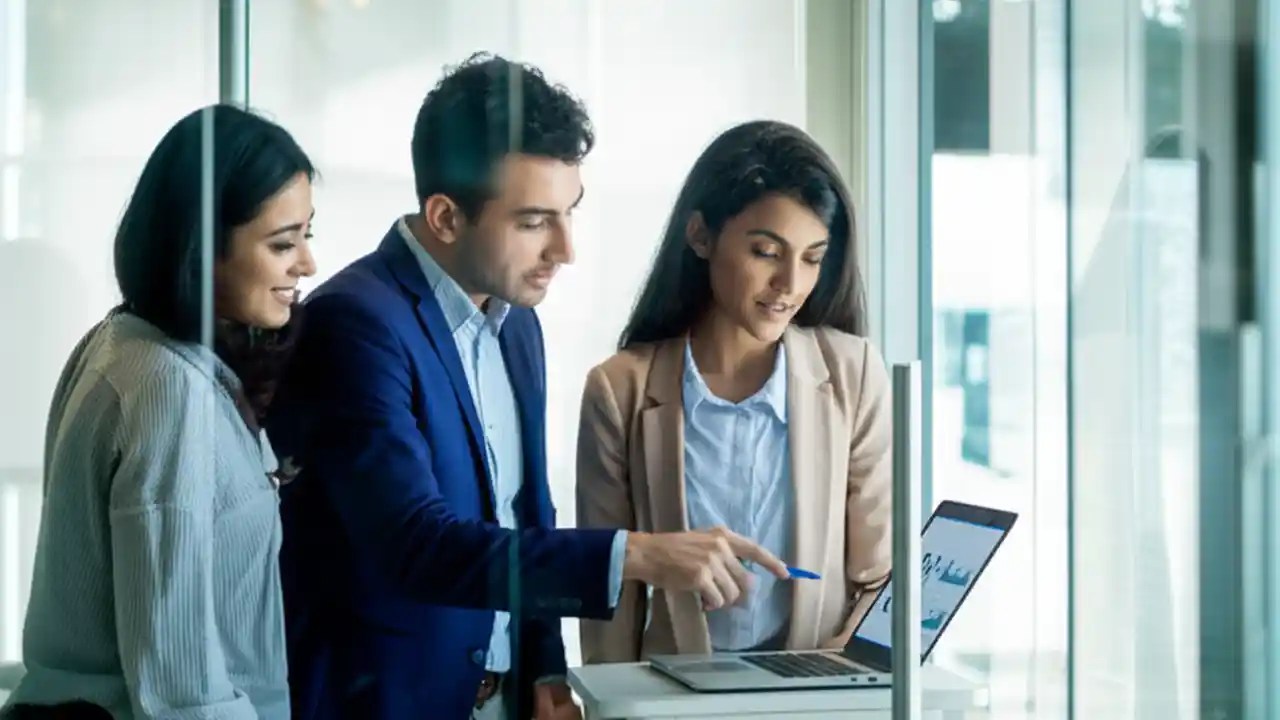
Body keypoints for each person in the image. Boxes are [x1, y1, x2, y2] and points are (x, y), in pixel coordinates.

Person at [266, 53, 787, 720]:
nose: (565, 249)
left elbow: (524, 511)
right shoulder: (354, 323)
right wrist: (638, 555)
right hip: (387, 702)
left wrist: (543, 664)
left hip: (502, 702)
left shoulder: (517, 325)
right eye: (534, 221)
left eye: (569, 212)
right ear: (447, 217)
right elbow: (414, 545)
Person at [1, 104, 317, 719]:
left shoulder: (124, 340)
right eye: (283, 243)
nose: (306, 263)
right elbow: (179, 685)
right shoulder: (169, 389)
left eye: (308, 235)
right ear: (203, 246)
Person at [576, 120, 893, 663]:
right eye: (767, 252)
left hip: (813, 699)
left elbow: (878, 576)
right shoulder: (619, 389)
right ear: (700, 235)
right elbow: (610, 592)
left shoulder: (854, 373)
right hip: (669, 699)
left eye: (813, 258)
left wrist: (826, 684)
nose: (790, 285)